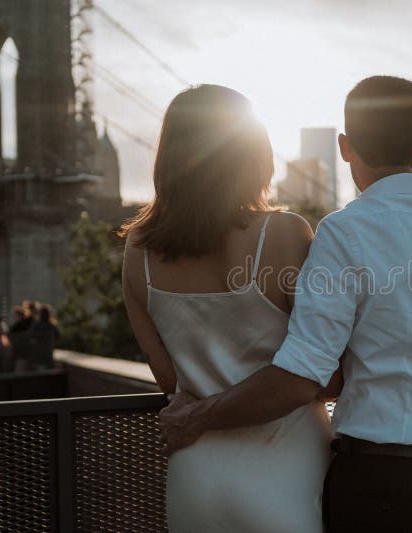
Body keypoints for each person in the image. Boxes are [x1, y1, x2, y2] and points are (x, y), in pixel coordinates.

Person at [160, 76, 412, 532]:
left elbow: (302, 376)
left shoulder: (343, 234)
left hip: (376, 485)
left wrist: (197, 417)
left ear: (345, 148)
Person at [120, 85, 336, 533]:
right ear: (253, 151)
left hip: (196, 473)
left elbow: (172, 384)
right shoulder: (286, 234)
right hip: (290, 466)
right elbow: (326, 375)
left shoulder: (137, 251)